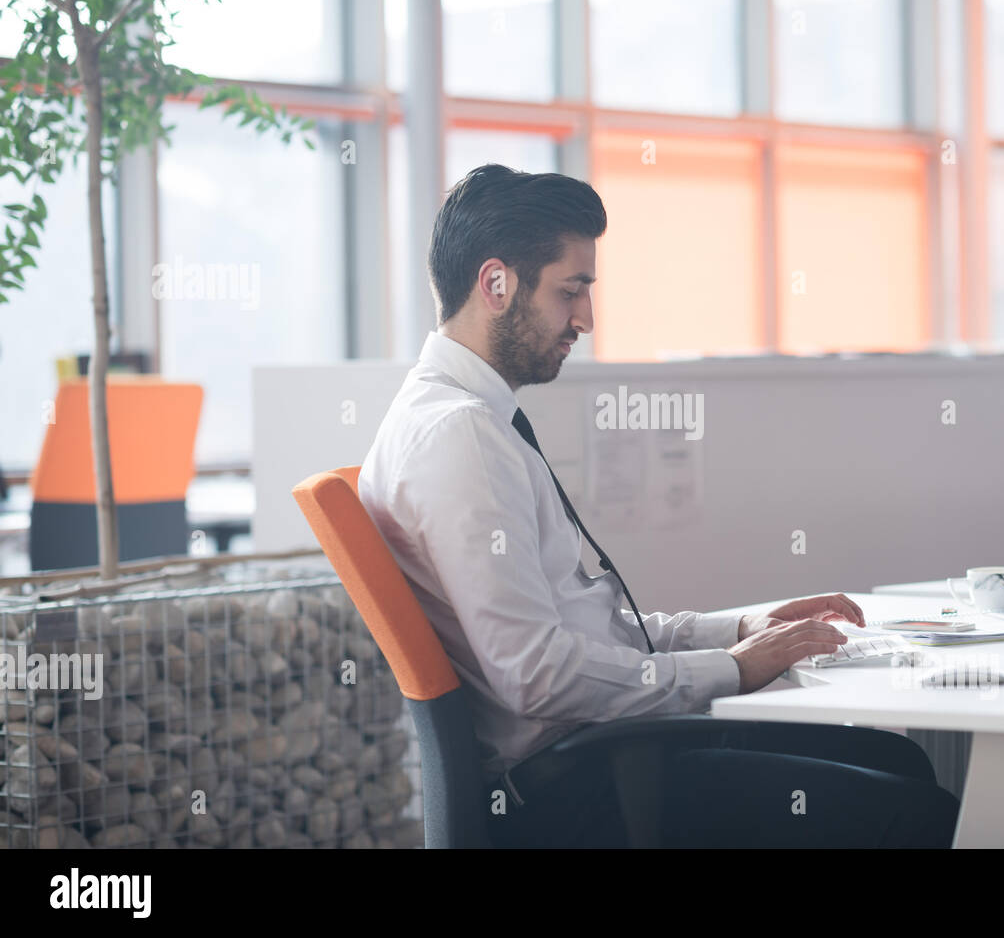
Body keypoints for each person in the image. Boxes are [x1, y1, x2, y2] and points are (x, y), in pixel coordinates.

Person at [359, 164, 958, 847]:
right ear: (496, 284)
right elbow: (537, 673)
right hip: (587, 791)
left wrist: (738, 629)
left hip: (603, 756)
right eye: (571, 290)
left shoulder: (464, 421)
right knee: (916, 812)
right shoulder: (459, 436)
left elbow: (597, 631)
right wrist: (733, 669)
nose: (585, 317)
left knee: (898, 761)